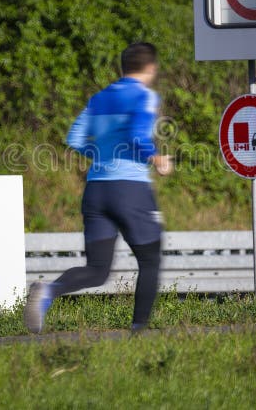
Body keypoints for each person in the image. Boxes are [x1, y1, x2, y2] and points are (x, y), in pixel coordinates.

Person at [24, 42, 174, 334]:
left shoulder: (99, 98)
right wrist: (155, 157)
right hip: (130, 191)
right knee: (150, 259)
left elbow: (75, 137)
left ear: (123, 67)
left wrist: (102, 157)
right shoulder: (144, 96)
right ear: (151, 68)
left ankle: (49, 290)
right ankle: (139, 334)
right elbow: (135, 134)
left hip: (96, 191)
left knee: (97, 270)